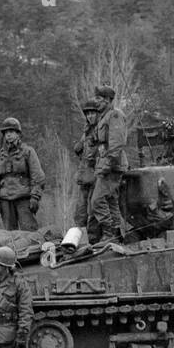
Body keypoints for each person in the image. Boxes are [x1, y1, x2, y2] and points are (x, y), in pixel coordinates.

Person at [0, 117, 45, 231]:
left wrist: (35, 196)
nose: (8, 135)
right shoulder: (0, 155)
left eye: (11, 132)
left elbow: (37, 176)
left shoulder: (28, 151)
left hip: (24, 199)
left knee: (29, 233)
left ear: (18, 134)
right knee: (10, 237)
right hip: (5, 201)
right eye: (6, 132)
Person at [88, 86, 128, 244]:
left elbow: (117, 144)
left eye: (98, 99)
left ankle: (109, 233)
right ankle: (117, 235)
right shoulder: (104, 117)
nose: (95, 102)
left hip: (112, 165)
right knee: (110, 200)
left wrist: (108, 164)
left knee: (97, 200)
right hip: (106, 164)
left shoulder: (115, 115)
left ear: (107, 100)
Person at [72, 97, 101, 241]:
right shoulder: (87, 132)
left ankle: (93, 240)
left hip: (97, 176)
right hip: (85, 177)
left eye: (93, 113)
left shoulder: (102, 129)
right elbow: (81, 150)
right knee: (80, 213)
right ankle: (81, 241)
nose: (90, 116)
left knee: (93, 211)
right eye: (87, 113)